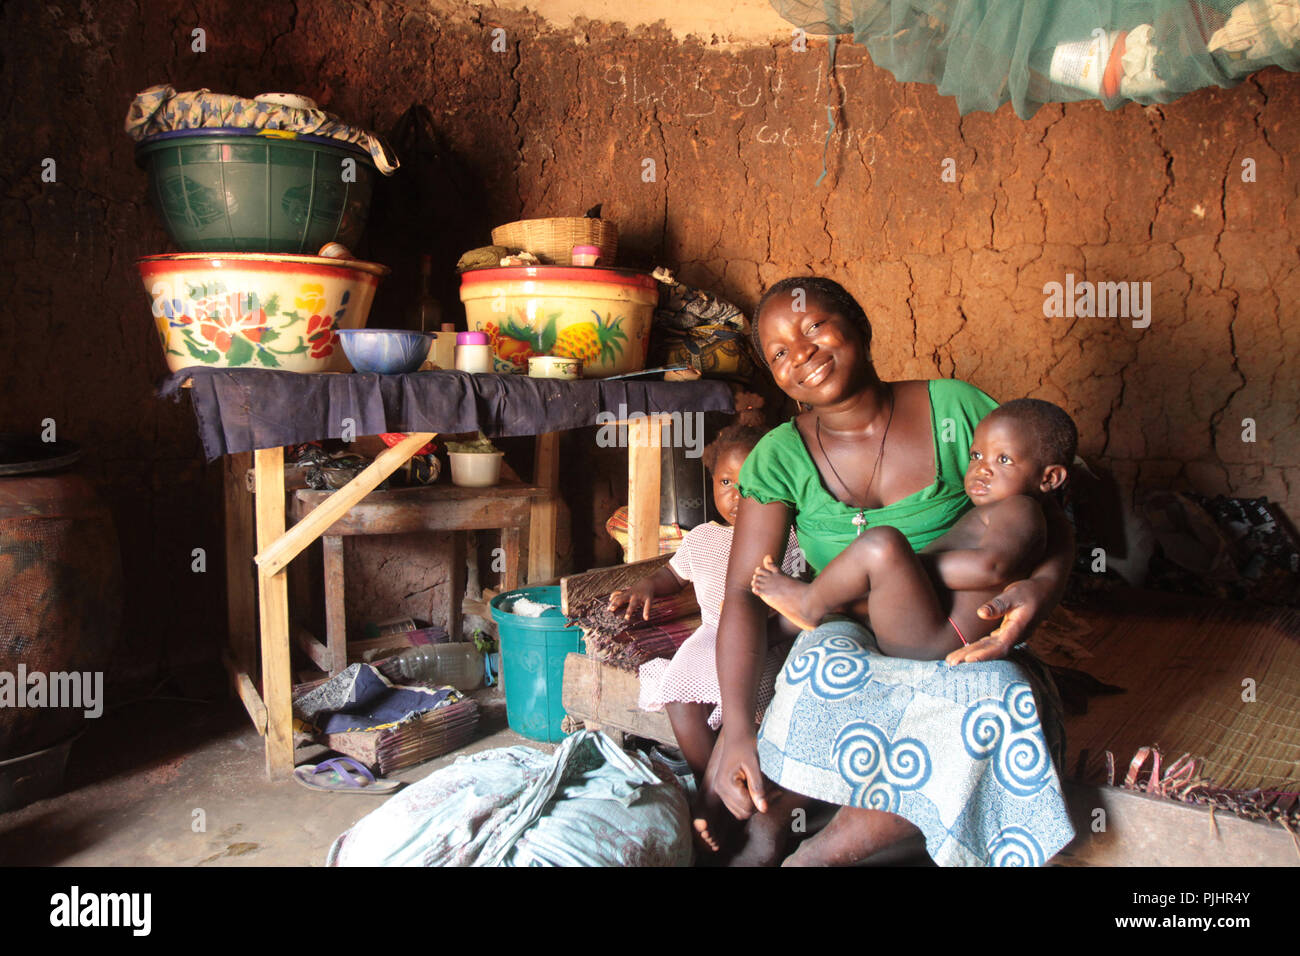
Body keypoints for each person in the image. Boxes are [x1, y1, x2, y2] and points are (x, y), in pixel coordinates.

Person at [705, 276, 1077, 867]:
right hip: (853, 636)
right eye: (778, 353)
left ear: (859, 327)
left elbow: (1044, 514)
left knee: (994, 698)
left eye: (814, 328)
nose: (800, 355)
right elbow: (744, 595)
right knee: (814, 666)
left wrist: (1040, 590)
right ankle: (774, 824)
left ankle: (823, 853)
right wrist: (735, 731)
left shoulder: (954, 409)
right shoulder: (778, 454)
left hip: (957, 639)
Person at [750, 399, 1078, 661]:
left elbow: (992, 566)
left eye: (1004, 460)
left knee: (882, 544)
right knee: (846, 598)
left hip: (936, 635)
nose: (982, 469)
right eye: (977, 455)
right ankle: (769, 631)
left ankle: (808, 601)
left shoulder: (1020, 508)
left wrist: (897, 566)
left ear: (1049, 478)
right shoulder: (1008, 510)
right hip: (926, 625)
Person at [609, 424, 803, 798]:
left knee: (748, 701)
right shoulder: (701, 538)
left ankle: (733, 790)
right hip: (712, 635)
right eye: (726, 482)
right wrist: (646, 585)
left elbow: (804, 595)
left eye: (751, 482)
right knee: (679, 696)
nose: (738, 495)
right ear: (712, 482)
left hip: (770, 637)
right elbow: (672, 574)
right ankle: (710, 787)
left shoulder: (789, 536)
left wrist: (778, 628)